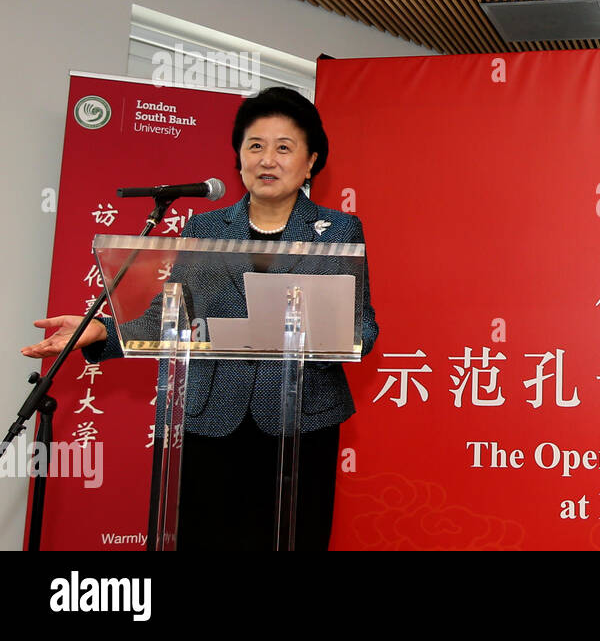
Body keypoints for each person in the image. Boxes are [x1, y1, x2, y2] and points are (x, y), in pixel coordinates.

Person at [21, 86, 379, 550]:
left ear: (311, 161)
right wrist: (102, 330)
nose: (267, 159)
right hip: (213, 417)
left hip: (301, 422)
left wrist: (330, 332)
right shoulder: (206, 229)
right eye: (255, 146)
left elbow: (364, 328)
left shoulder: (338, 231)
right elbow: (167, 317)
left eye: (284, 147)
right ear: (239, 157)